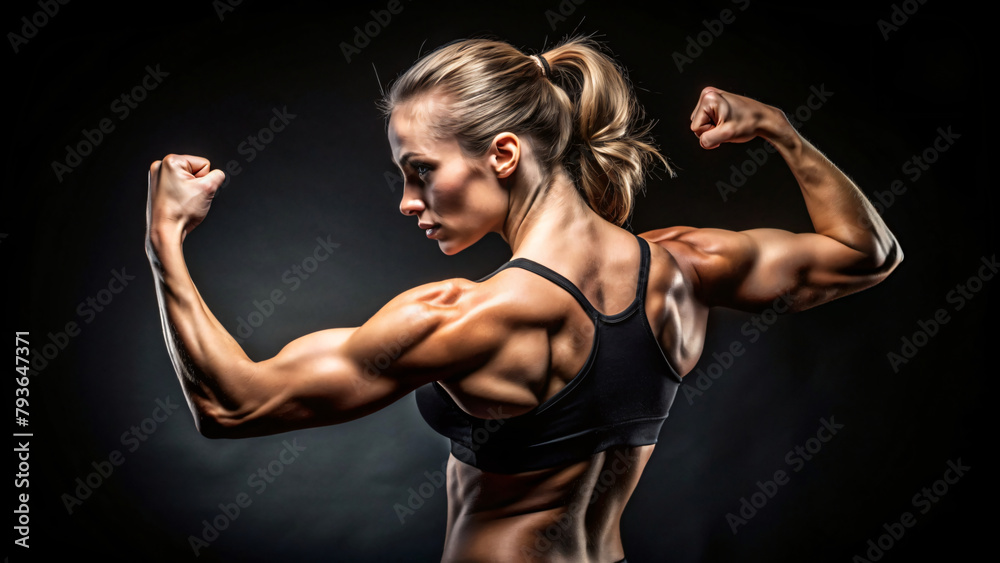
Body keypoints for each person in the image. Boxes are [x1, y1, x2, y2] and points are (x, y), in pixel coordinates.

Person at [145, 36, 902, 563]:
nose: (408, 202)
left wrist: (166, 239)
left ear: (503, 153)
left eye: (420, 170)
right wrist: (779, 130)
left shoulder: (475, 315)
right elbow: (866, 253)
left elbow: (233, 405)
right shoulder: (683, 265)